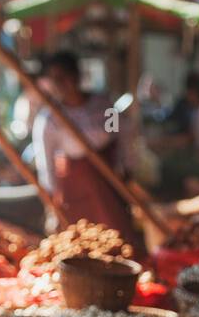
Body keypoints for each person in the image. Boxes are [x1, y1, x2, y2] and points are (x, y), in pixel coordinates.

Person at [31, 50, 138, 242]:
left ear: (77, 76)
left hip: (108, 180)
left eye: (65, 76)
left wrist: (127, 167)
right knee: (81, 242)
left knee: (116, 236)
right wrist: (52, 202)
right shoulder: (49, 120)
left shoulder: (104, 106)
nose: (62, 84)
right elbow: (45, 164)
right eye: (55, 79)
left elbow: (121, 137)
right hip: (75, 191)